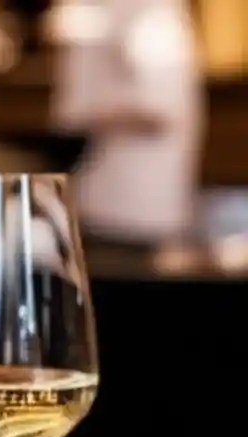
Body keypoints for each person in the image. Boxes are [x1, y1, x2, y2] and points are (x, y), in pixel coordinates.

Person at [51, 0, 203, 250]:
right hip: (100, 202)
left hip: (144, 205)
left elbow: (162, 113)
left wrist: (101, 113)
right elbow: (69, 113)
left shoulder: (157, 17)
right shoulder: (88, 15)